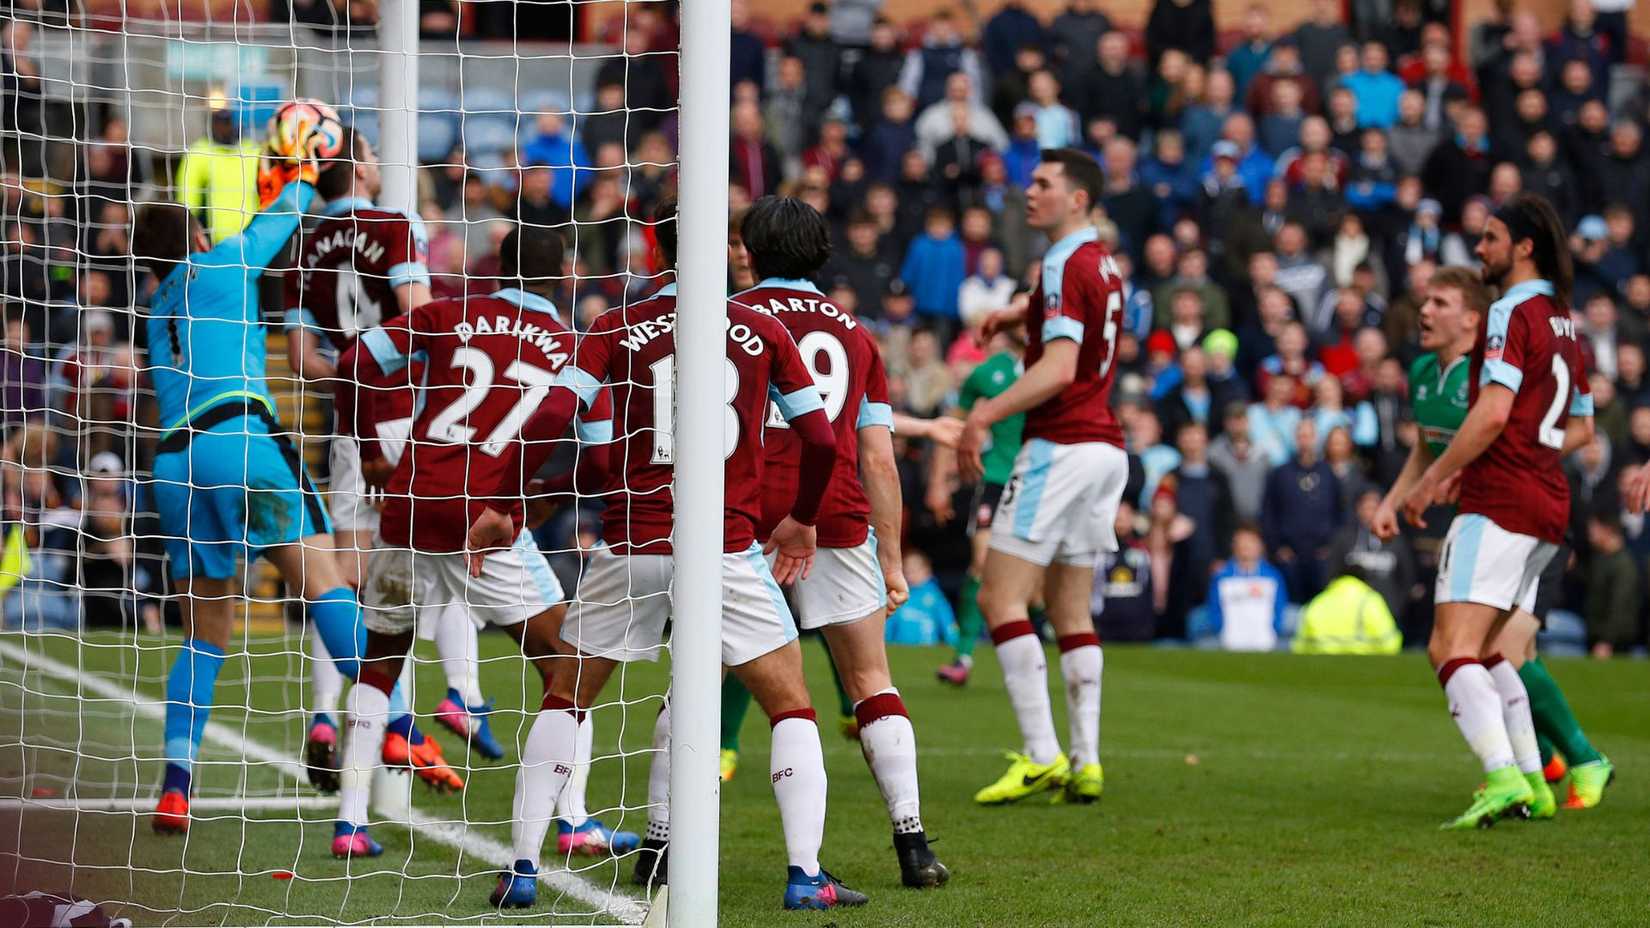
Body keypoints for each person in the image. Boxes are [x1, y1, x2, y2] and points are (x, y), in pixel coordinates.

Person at [464, 202, 867, 911]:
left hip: (631, 545)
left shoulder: (613, 325)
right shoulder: (764, 330)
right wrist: (802, 519)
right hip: (723, 550)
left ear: (655, 251)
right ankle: (806, 876)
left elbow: (553, 414)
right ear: (735, 254)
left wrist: (504, 503)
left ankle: (522, 867)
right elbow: (825, 439)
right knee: (791, 707)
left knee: (566, 696)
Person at [130, 129, 455, 837]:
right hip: (240, 438)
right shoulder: (221, 262)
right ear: (195, 235)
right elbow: (281, 219)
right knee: (327, 584)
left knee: (204, 635)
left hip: (174, 466)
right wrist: (308, 157)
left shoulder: (155, 312)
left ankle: (176, 787)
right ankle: (400, 726)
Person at [329, 226, 636, 865]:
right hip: (486, 520)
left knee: (380, 663)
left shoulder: (447, 312)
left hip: (411, 506)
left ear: (499, 266)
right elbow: (605, 461)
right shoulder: (573, 347)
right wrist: (547, 494)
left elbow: (354, 360)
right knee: (567, 667)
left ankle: (350, 824)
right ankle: (573, 820)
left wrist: (371, 454)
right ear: (566, 275)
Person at [735, 196, 947, 888]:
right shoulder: (857, 335)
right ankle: (912, 843)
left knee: (705, 680)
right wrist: (892, 560)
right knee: (870, 682)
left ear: (749, 252)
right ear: (821, 253)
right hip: (837, 517)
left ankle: (662, 843)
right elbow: (878, 457)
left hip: (746, 518)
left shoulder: (730, 318)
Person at [283, 128, 503, 778]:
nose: (379, 164)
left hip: (350, 424)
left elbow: (298, 357)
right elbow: (419, 314)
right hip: (408, 413)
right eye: (373, 155)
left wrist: (352, 376)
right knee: (448, 548)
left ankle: (328, 712)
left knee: (346, 577)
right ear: (357, 167)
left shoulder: (301, 244)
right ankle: (461, 694)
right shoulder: (394, 223)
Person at [1375, 264, 1615, 814]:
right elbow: (1426, 445)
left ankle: (1568, 760)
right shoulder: (1423, 371)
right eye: (1425, 301)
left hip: (1520, 518)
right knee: (1494, 652)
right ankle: (1541, 770)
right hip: (1489, 519)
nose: (1424, 311)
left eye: (1439, 302)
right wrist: (1393, 499)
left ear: (1472, 318)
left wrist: (1470, 472)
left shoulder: (1495, 374)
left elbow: (1545, 434)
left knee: (1497, 649)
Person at [961, 149, 1127, 806]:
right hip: (1105, 450)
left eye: (1043, 183)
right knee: (1069, 609)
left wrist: (985, 413)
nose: (1029, 191)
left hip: (1060, 446)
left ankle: (1040, 754)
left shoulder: (1060, 261)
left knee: (999, 599)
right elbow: (1075, 316)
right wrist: (1020, 313)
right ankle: (1087, 761)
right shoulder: (1102, 261)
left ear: (1077, 198)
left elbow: (1059, 368)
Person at [932, 326, 1025, 686]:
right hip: (996, 476)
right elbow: (952, 426)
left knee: (1035, 581)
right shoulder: (987, 373)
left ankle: (1034, 649)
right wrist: (938, 482)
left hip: (1040, 478)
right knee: (981, 562)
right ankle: (964, 655)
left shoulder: (1053, 364)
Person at [1205, 522, 1287, 651]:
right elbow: (1214, 609)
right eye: (1241, 542)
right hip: (1228, 643)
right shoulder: (1221, 577)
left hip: (1266, 644)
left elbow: (1279, 609)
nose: (1245, 546)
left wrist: (1272, 631)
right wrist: (1222, 631)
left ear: (1260, 545)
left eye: (1250, 541)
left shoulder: (1273, 576)